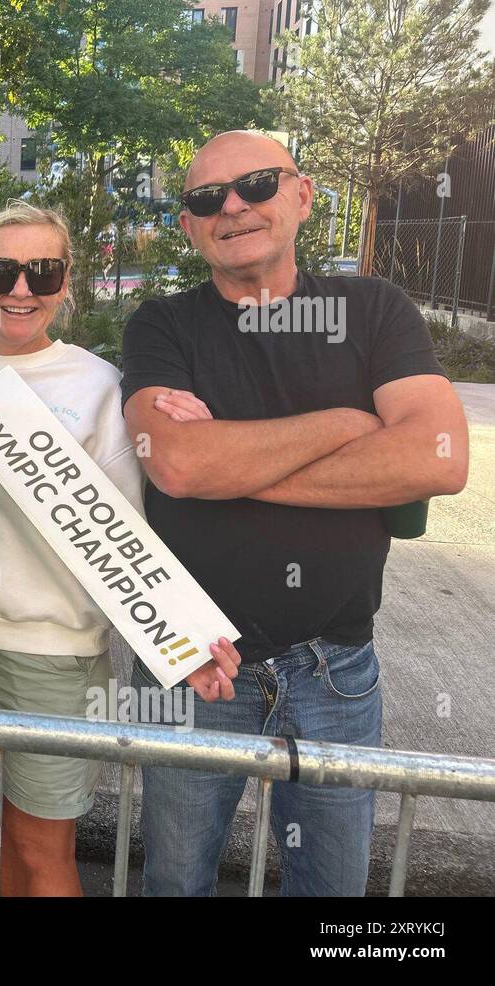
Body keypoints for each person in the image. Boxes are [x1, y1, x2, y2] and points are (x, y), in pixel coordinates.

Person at [120, 130, 469, 896]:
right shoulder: (162, 325)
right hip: (195, 665)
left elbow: (439, 457)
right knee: (176, 880)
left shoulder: (374, 309)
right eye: (208, 198)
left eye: (256, 184)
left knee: (334, 888)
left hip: (337, 669)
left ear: (303, 195)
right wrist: (348, 424)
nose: (234, 207)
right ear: (188, 226)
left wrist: (229, 462)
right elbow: (176, 462)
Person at [0, 200, 243, 896]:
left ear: (67, 282)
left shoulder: (98, 386)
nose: (21, 289)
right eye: (3, 270)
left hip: (55, 658)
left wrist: (183, 645)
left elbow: (127, 538)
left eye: (42, 270)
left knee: (44, 848)